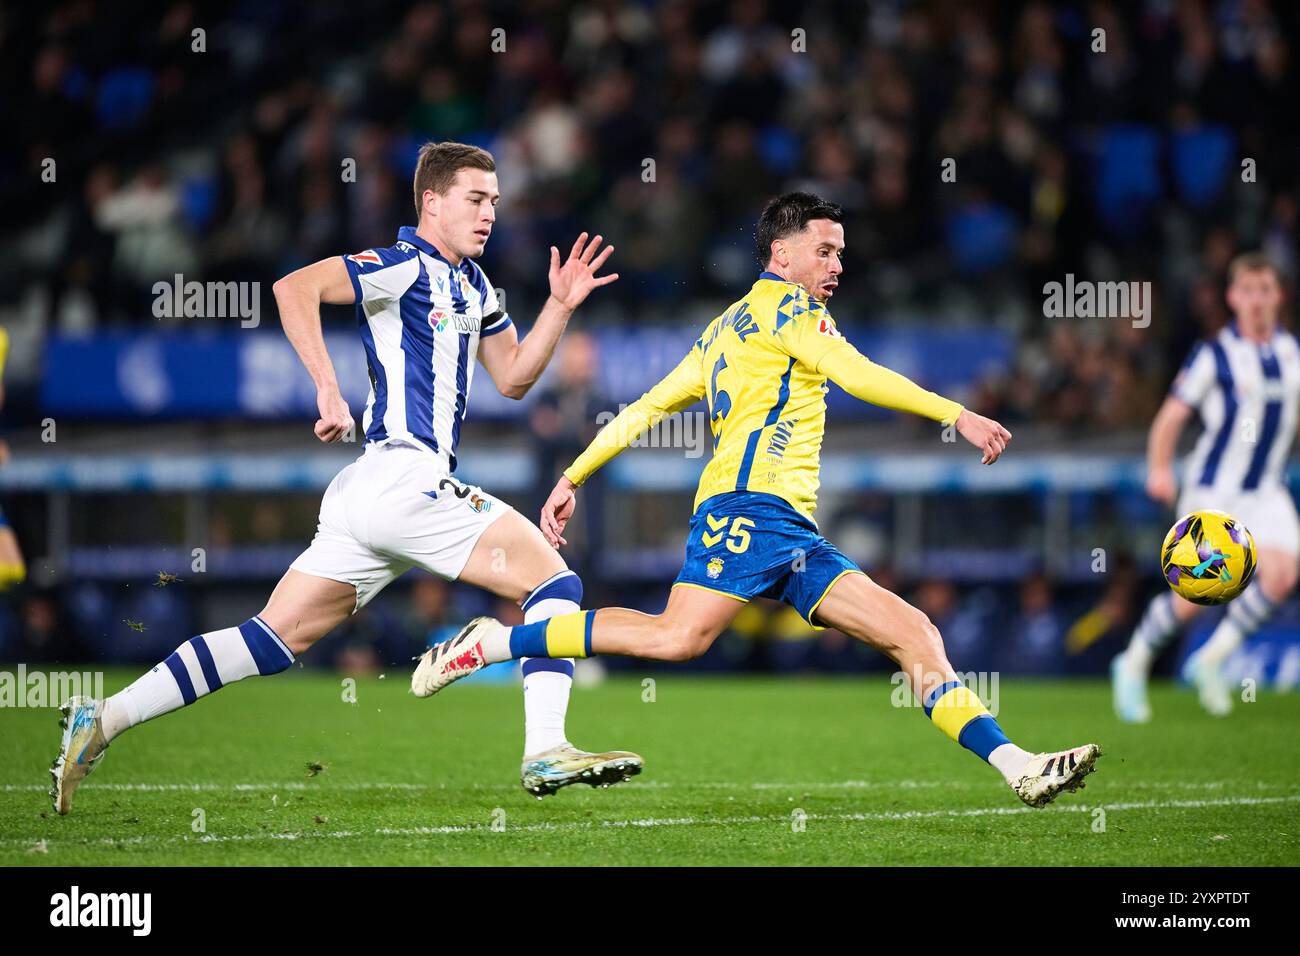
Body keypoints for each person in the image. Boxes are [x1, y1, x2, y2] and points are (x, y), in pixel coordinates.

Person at [414, 192, 1102, 808]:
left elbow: (647, 406)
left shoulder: (722, 330)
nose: (836, 265)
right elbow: (856, 374)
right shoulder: (793, 312)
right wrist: (959, 415)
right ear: (782, 253)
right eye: (823, 251)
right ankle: (496, 641)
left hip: (787, 527)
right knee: (676, 638)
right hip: (747, 509)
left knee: (913, 633)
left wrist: (574, 473)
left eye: (840, 253)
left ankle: (1019, 766)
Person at [50, 142, 640, 814]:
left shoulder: (475, 286)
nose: (488, 215)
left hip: (374, 494)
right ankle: (543, 744)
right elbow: (292, 287)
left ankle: (102, 718)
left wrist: (560, 307)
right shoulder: (401, 263)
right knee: (554, 582)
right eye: (475, 200)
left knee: (271, 638)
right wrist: (328, 391)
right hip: (400, 479)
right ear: (432, 203)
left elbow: (512, 378)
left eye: (495, 203)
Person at [1113, 253, 1299, 720]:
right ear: (1233, 298)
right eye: (1248, 290)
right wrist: (1159, 468)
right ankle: (1132, 662)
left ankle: (1211, 660)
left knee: (1283, 574)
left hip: (1266, 490)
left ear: (1278, 296)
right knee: (1196, 595)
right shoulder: (1214, 354)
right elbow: (1171, 416)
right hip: (1214, 489)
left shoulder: (1292, 354)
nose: (1257, 299)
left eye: (1266, 289)